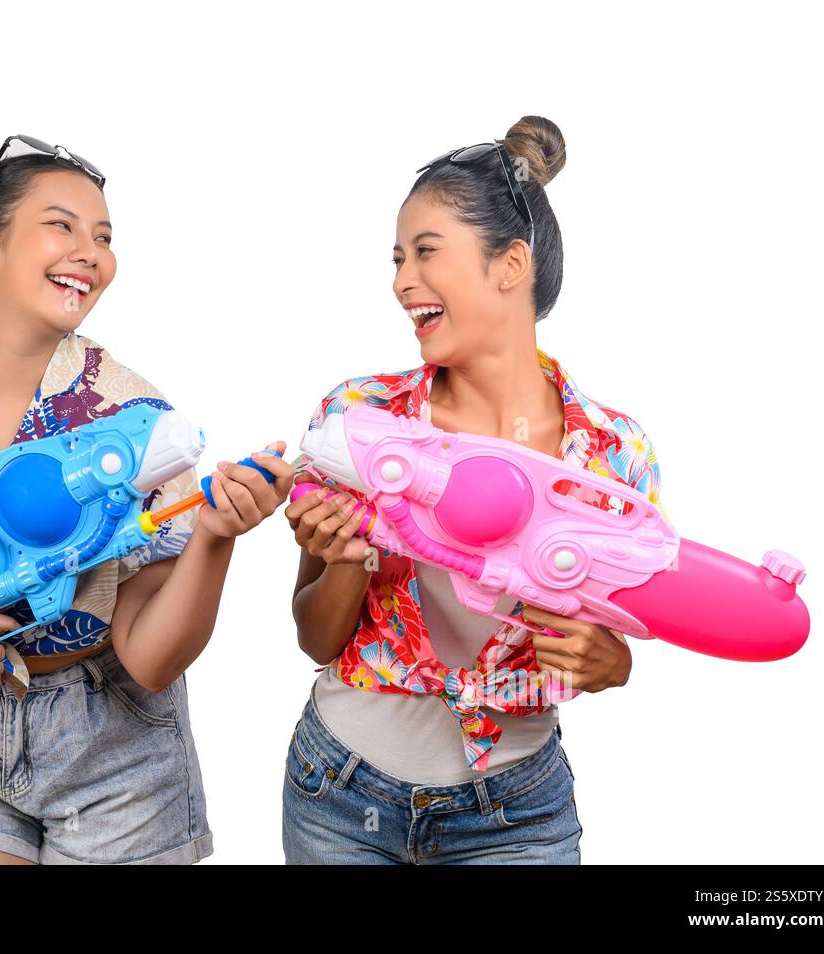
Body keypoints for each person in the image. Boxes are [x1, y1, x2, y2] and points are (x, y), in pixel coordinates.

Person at [0, 131, 293, 865]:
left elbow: (152, 658)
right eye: (62, 226)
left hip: (114, 745)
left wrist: (214, 537)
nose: (91, 253)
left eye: (103, 236)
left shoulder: (132, 416)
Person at [282, 116, 663, 864]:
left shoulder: (613, 456)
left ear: (509, 265)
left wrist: (615, 664)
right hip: (341, 793)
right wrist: (345, 558)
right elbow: (315, 639)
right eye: (397, 259)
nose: (400, 282)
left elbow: (633, 630)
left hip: (517, 815)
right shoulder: (360, 420)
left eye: (425, 253)